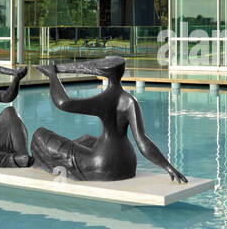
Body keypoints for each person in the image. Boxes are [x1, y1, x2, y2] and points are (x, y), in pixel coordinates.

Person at [31, 56, 188, 182]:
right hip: (126, 162)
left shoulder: (104, 100)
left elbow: (64, 103)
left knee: (39, 134)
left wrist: (52, 76)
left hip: (103, 163)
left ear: (104, 74)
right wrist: (167, 166)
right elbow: (142, 141)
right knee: (85, 139)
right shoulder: (129, 101)